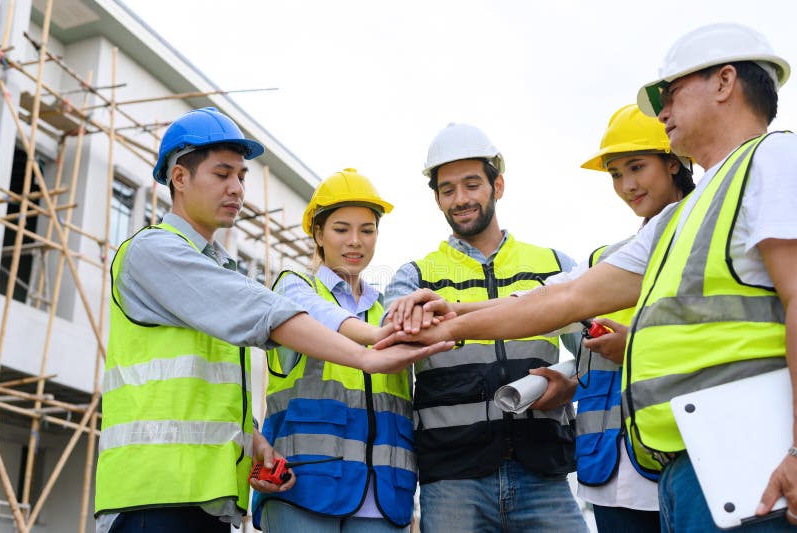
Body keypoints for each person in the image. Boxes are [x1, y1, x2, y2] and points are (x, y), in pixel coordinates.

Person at [377, 23, 797, 533]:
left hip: (752, 455)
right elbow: (570, 296)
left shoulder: (773, 161)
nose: (662, 112)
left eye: (671, 93)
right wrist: (452, 319)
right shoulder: (683, 216)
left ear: (725, 82)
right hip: (690, 460)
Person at [94, 108, 451, 533]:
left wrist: (253, 437)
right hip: (152, 494)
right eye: (222, 174)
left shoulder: (220, 269)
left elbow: (211, 387)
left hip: (205, 496)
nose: (237, 188)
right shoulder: (153, 252)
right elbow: (265, 312)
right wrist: (367, 355)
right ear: (179, 177)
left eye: (241, 177)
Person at [383, 123, 589, 532]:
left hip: (544, 471)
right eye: (447, 190)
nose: (460, 199)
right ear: (438, 199)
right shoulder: (414, 277)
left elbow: (598, 349)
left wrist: (574, 383)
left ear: (499, 186)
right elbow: (392, 345)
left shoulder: (555, 266)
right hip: (453, 478)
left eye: (472, 184)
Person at [251, 168, 415, 532]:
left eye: (367, 229)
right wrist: (380, 334)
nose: (355, 241)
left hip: (384, 497)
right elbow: (319, 317)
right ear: (319, 234)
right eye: (341, 229)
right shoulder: (293, 288)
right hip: (303, 486)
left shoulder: (388, 308)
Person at [573, 103, 693, 532]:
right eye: (615, 174)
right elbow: (549, 299)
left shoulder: (701, 235)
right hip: (608, 465)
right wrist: (567, 377)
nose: (626, 185)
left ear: (674, 163)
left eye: (636, 167)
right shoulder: (605, 257)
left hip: (680, 457)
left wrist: (636, 347)